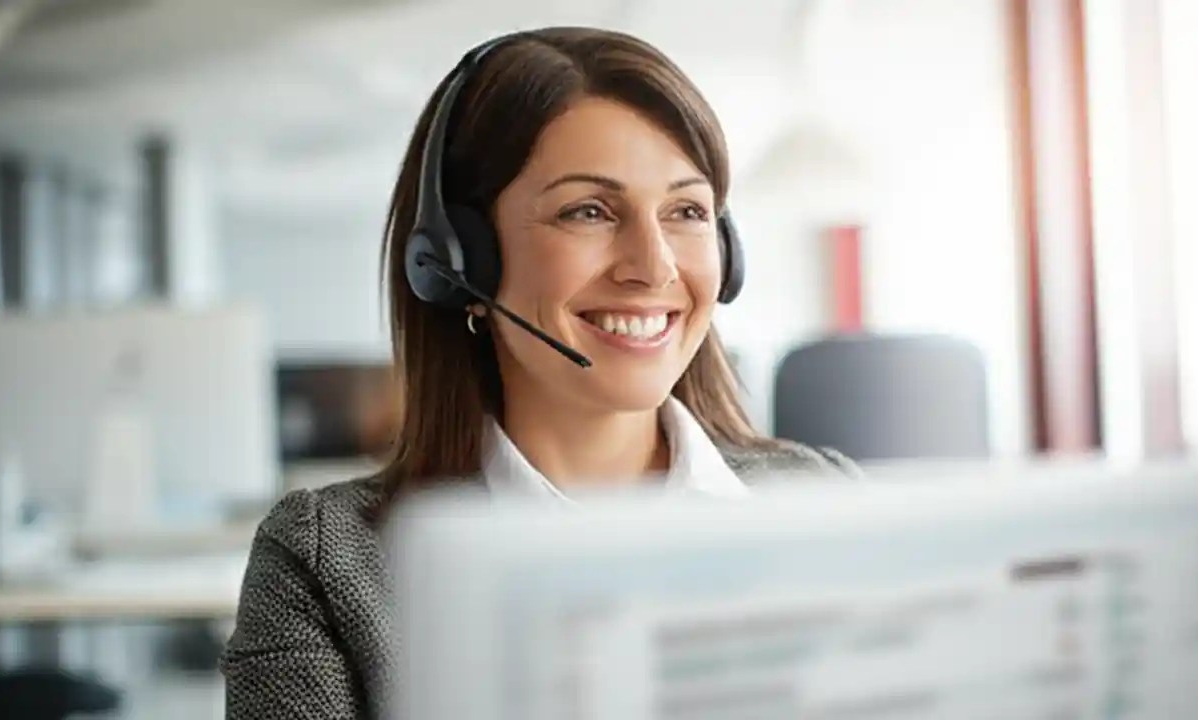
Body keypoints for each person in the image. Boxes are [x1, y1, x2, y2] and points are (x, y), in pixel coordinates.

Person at [219, 26, 861, 719]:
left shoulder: (824, 501)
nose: (654, 266)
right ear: (458, 261)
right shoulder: (325, 560)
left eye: (686, 211)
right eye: (589, 211)